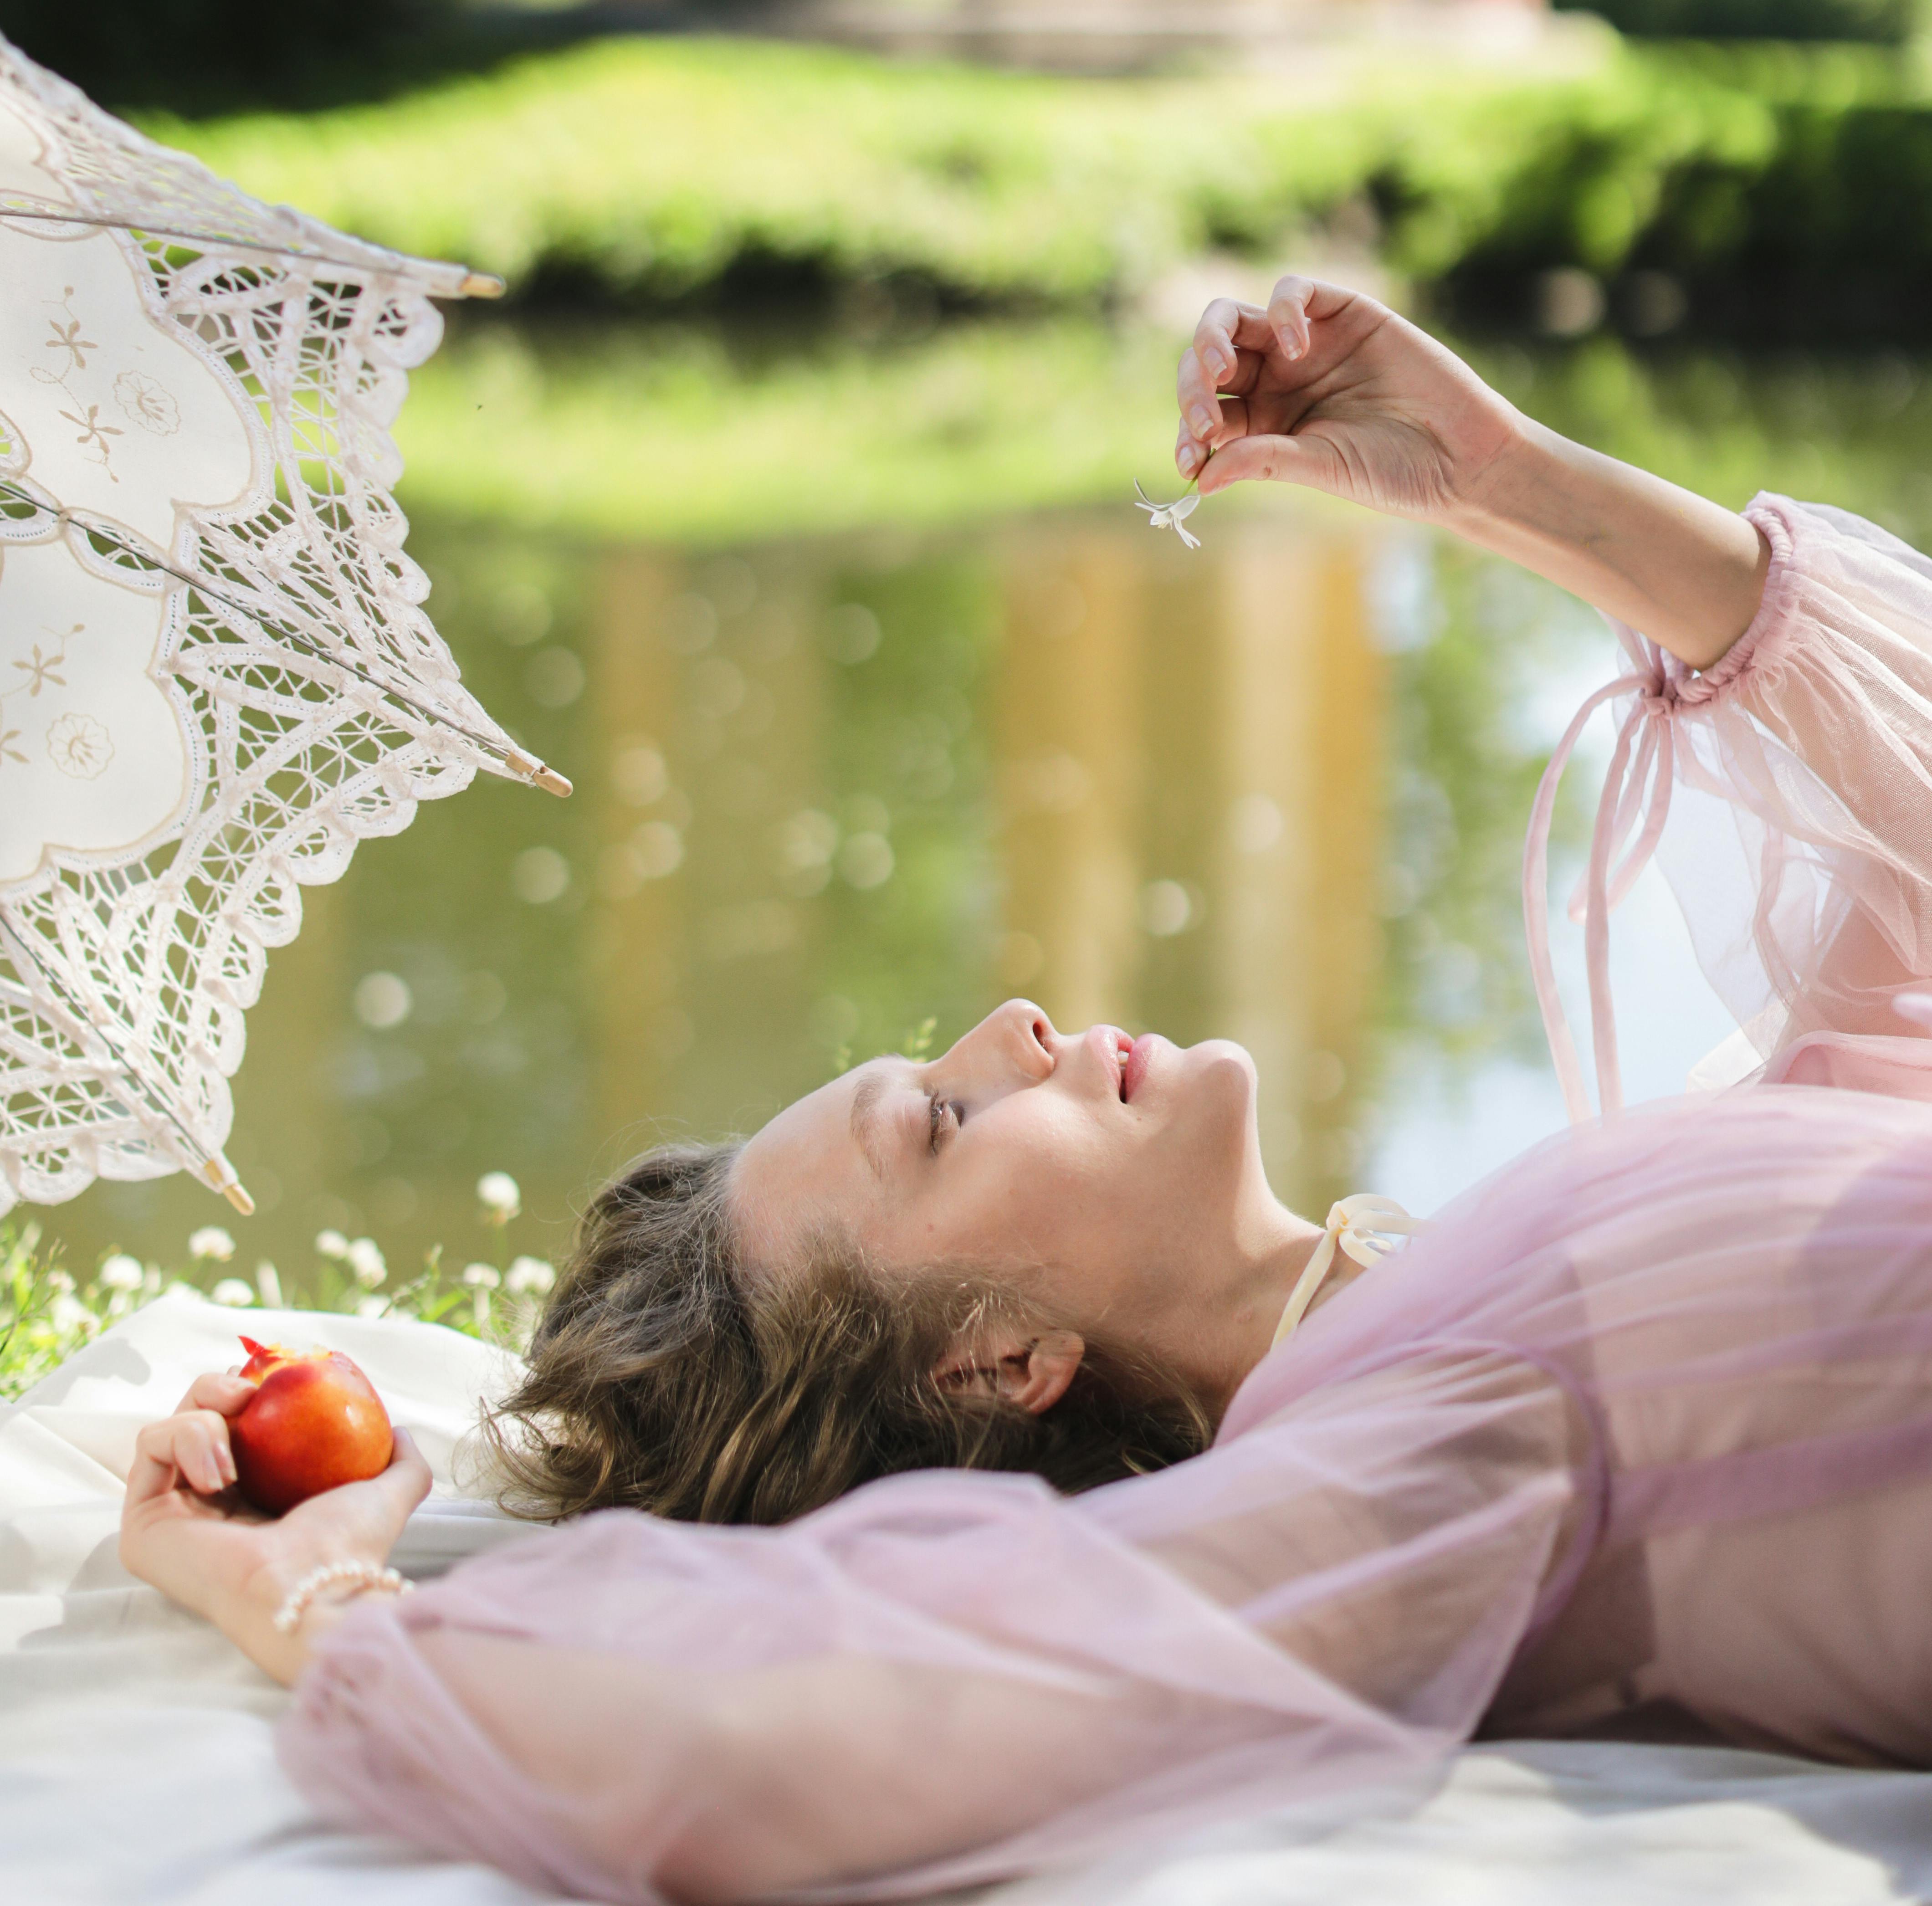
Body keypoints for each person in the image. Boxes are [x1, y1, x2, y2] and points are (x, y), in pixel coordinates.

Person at [119, 281, 1932, 1904]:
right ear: (996, 1365)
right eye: (942, 1121)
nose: (1007, 1020)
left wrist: (1487, 475)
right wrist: (308, 1595)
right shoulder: (1404, 1455)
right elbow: (775, 1755)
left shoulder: (1502, 1322)